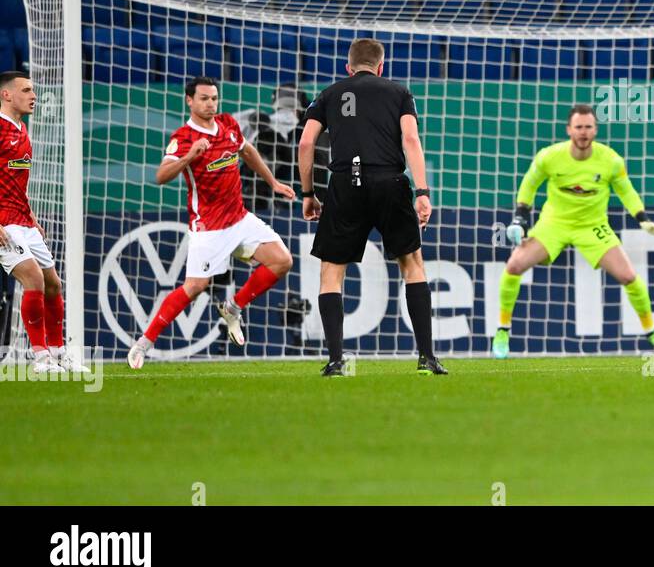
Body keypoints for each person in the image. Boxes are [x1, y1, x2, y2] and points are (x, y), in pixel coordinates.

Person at [297, 39, 446, 377]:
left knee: (332, 273)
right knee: (413, 266)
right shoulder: (399, 92)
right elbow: (410, 140)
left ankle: (335, 361)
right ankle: (427, 358)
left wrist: (308, 193)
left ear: (348, 68)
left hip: (344, 183)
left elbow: (306, 142)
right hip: (388, 181)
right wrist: (422, 191)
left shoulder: (330, 93)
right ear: (381, 66)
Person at [128, 76, 295, 369]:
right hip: (209, 227)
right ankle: (143, 343)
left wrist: (273, 183)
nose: (210, 104)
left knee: (282, 261)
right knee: (194, 286)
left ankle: (233, 308)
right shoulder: (183, 138)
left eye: (214, 98)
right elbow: (161, 176)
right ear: (189, 101)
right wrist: (189, 157)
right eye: (204, 98)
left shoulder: (229, 125)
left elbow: (248, 151)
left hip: (240, 218)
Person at [493, 104, 654, 359]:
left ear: (595, 130)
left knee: (629, 276)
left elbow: (627, 191)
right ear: (569, 130)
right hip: (554, 223)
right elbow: (528, 185)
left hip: (593, 226)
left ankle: (653, 332)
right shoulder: (549, 156)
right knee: (514, 265)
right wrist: (520, 218)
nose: (583, 132)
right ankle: (502, 330)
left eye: (588, 127)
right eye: (578, 127)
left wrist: (643, 219)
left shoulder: (611, 160)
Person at [0, 71, 83, 373]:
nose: (33, 95)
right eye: (26, 90)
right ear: (6, 95)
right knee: (33, 280)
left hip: (23, 219)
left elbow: (12, 181)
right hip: (3, 223)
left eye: (33, 90)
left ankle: (59, 354)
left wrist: (31, 213)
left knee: (53, 284)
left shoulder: (22, 129)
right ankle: (41, 359)